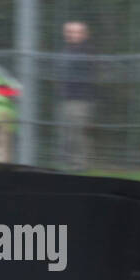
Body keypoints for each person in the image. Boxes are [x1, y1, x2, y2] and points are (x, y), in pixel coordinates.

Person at [58, 20, 96, 171]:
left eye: (76, 32)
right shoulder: (66, 51)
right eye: (69, 32)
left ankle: (79, 166)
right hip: (66, 99)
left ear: (84, 34)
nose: (71, 35)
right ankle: (69, 165)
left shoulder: (87, 52)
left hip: (81, 100)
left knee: (78, 135)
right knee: (67, 135)